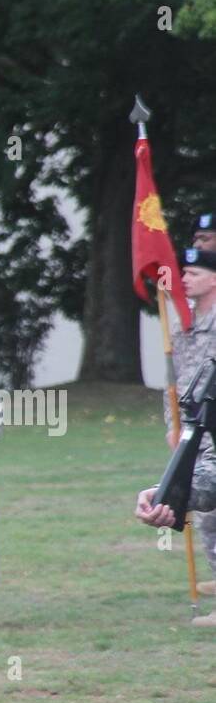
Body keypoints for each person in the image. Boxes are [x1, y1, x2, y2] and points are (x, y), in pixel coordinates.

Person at [160, 247, 216, 624]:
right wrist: (173, 424)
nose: (185, 279)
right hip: (195, 437)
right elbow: (175, 386)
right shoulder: (184, 328)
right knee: (207, 513)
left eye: (194, 273)